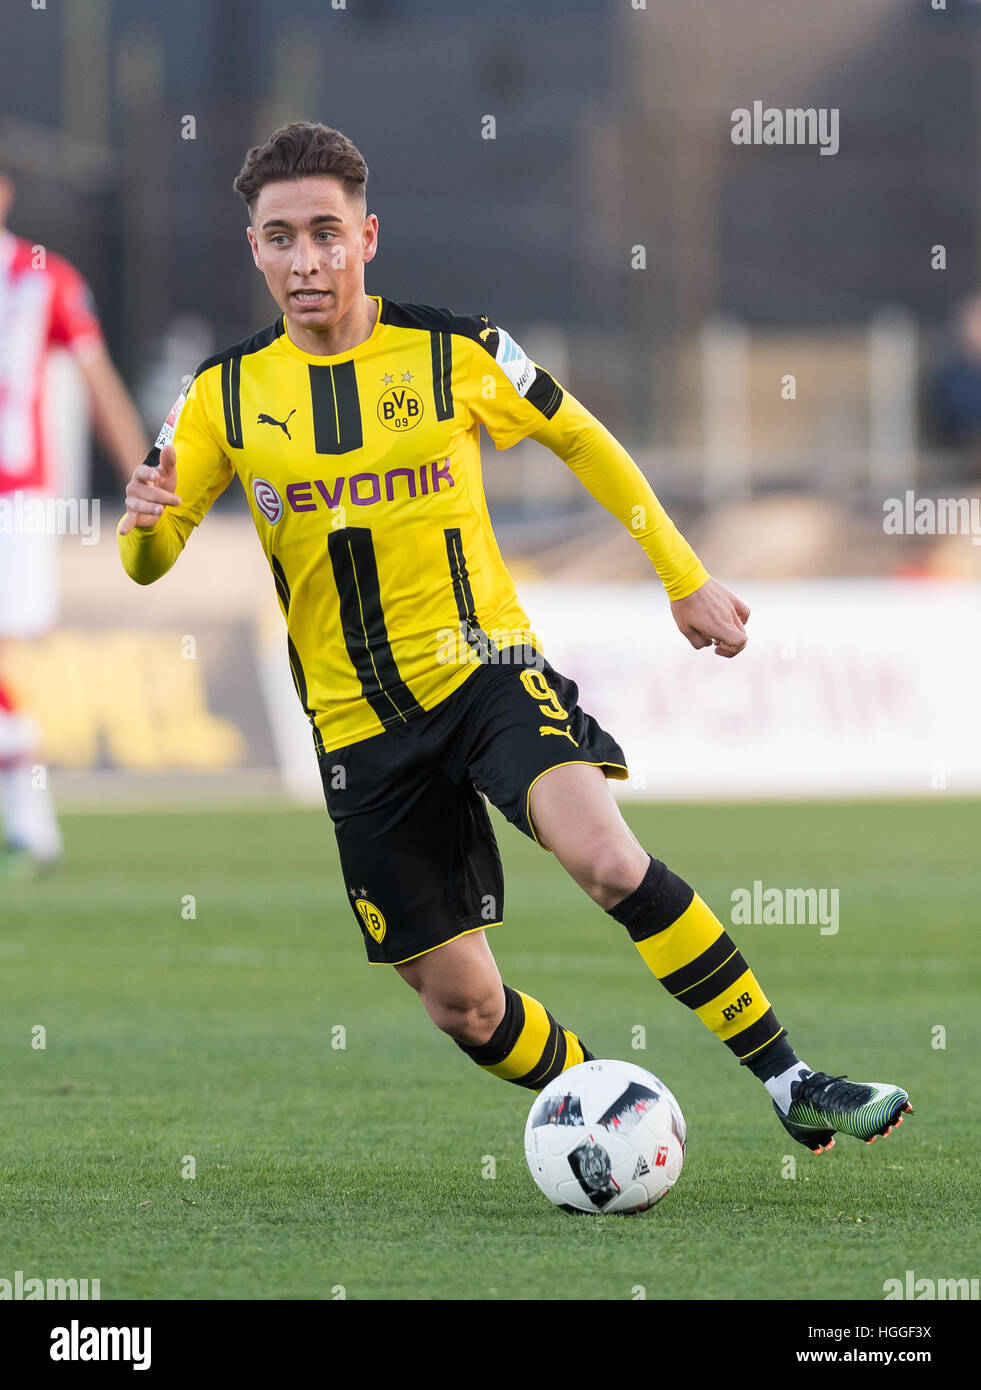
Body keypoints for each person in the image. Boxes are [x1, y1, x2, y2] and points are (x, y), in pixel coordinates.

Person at [118, 122, 910, 1155]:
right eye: (280, 238)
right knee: (465, 1007)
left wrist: (685, 577)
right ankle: (608, 1105)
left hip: (484, 671)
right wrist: (144, 525)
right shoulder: (222, 396)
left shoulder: (458, 349)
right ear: (255, 251)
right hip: (356, 725)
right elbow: (151, 556)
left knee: (606, 858)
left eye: (325, 232)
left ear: (368, 236)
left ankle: (791, 1076)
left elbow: (580, 434)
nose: (305, 260)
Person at [0, 162, 149, 877]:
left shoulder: (44, 278)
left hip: (14, 500)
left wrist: (144, 481)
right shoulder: (43, 277)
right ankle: (32, 824)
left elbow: (98, 387)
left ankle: (31, 823)